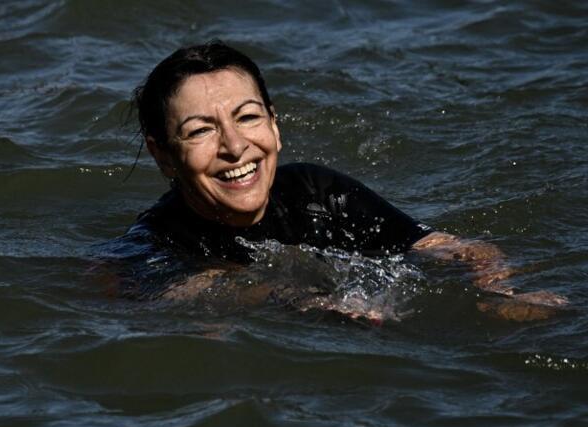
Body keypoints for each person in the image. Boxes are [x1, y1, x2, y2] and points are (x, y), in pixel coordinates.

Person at [128, 41, 565, 321]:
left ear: (274, 126)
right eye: (201, 130)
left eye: (248, 118)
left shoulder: (319, 193)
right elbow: (173, 298)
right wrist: (291, 297)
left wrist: (497, 290)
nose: (235, 146)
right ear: (162, 154)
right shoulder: (156, 242)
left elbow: (442, 246)